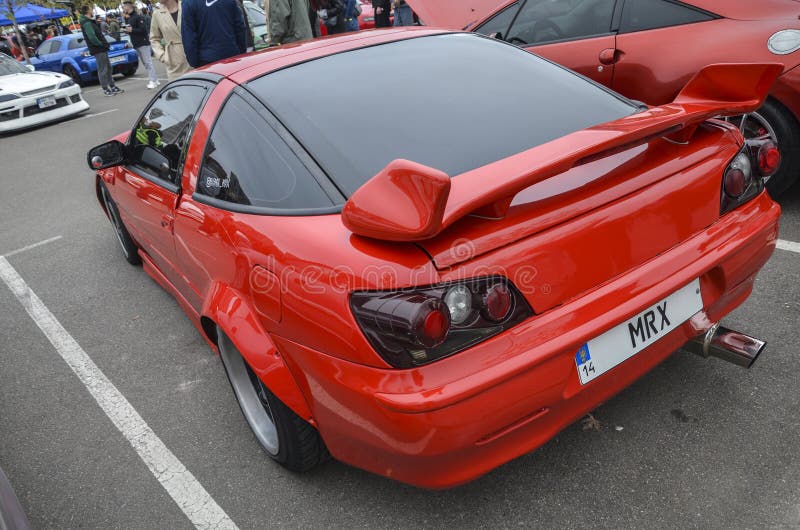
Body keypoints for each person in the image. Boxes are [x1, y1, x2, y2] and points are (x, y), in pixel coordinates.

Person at [181, 0, 246, 67]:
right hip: (232, 56)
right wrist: (241, 53)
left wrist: (194, 63)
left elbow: (189, 38)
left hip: (207, 62)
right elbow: (240, 27)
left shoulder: (188, 2)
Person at [78, 5, 123, 96]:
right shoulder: (87, 23)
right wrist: (101, 44)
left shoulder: (89, 22)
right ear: (87, 11)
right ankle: (106, 89)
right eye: (91, 9)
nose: (93, 11)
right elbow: (92, 37)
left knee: (108, 68)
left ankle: (112, 86)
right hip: (98, 49)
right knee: (103, 69)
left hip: (101, 48)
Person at [150, 0, 191, 80]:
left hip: (193, 58)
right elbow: (154, 38)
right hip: (174, 63)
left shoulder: (186, 5)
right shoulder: (157, 13)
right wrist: (163, 56)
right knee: (178, 90)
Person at [123, 1, 159, 89]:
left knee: (148, 62)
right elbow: (132, 30)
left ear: (128, 7)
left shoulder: (138, 17)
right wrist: (127, 30)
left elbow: (143, 30)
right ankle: (155, 80)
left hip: (143, 43)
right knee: (146, 63)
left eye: (124, 7)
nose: (123, 9)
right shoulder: (130, 18)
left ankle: (153, 81)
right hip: (137, 43)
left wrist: (131, 30)